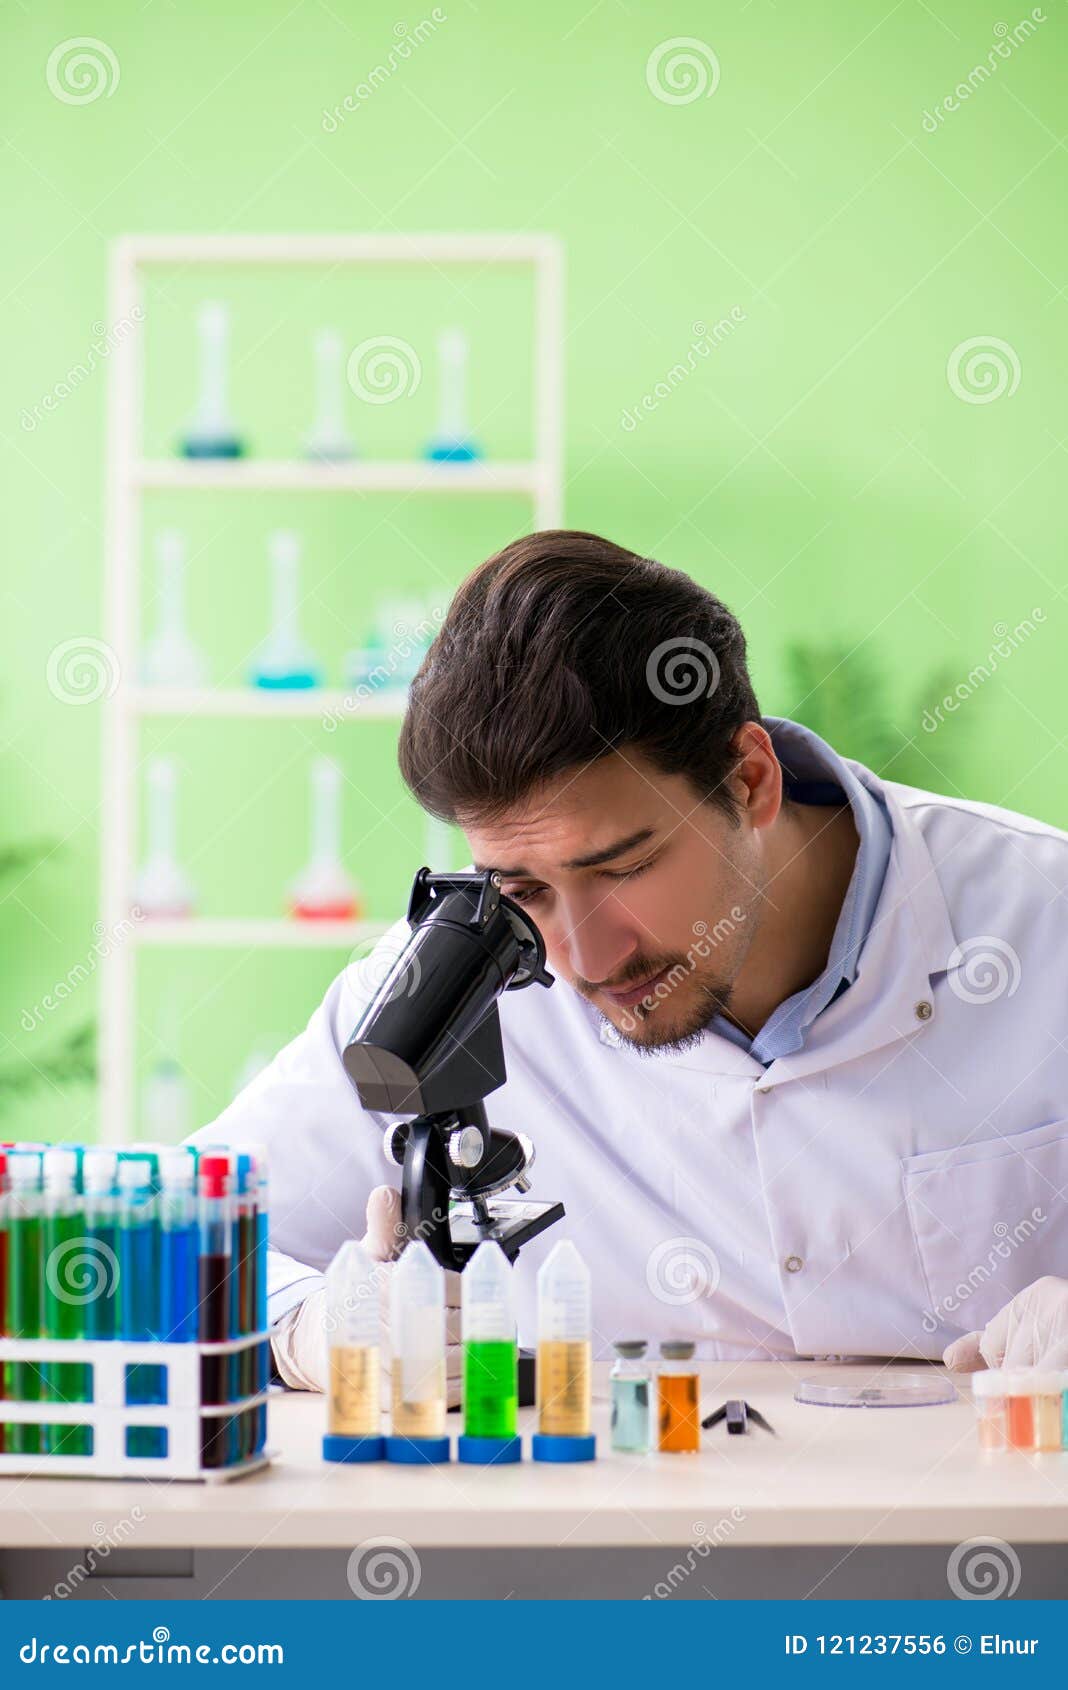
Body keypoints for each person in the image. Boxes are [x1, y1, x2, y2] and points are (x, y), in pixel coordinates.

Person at [191, 530, 1068, 1398]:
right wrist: (305, 1330)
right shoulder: (448, 989)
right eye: (524, 888)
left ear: (751, 781)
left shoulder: (1043, 917)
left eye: (622, 868)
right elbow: (158, 1238)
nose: (582, 955)